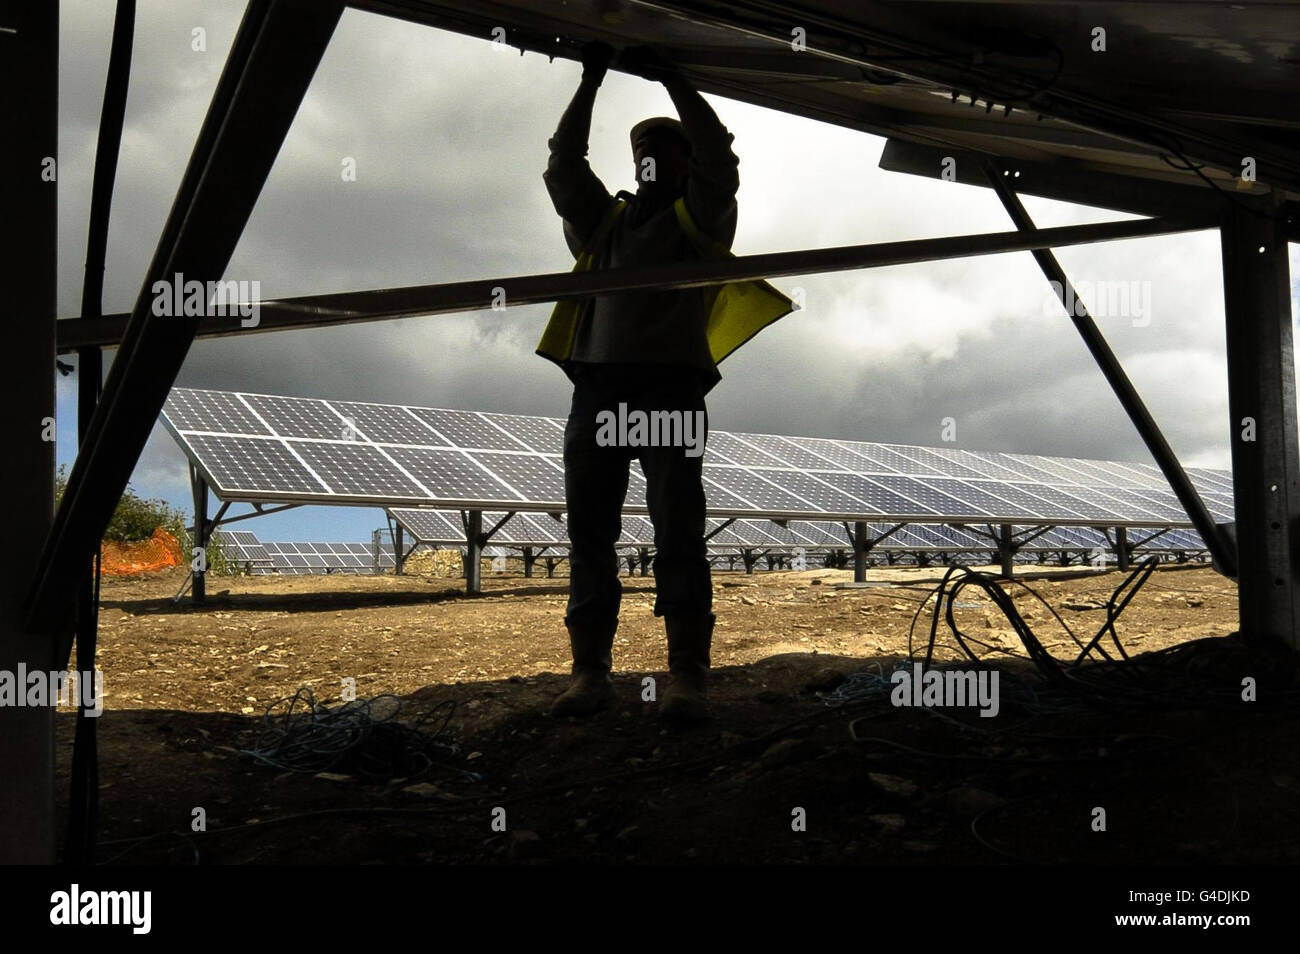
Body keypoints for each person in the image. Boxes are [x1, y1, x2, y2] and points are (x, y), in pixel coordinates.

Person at [536, 43, 744, 722]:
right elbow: (564, 168)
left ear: (683, 163)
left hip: (670, 394)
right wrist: (590, 79)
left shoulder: (701, 219)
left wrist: (675, 80)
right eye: (644, 150)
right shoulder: (604, 224)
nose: (652, 159)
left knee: (677, 531)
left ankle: (687, 674)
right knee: (590, 533)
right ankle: (589, 673)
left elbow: (721, 159)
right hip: (598, 393)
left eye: (666, 148)